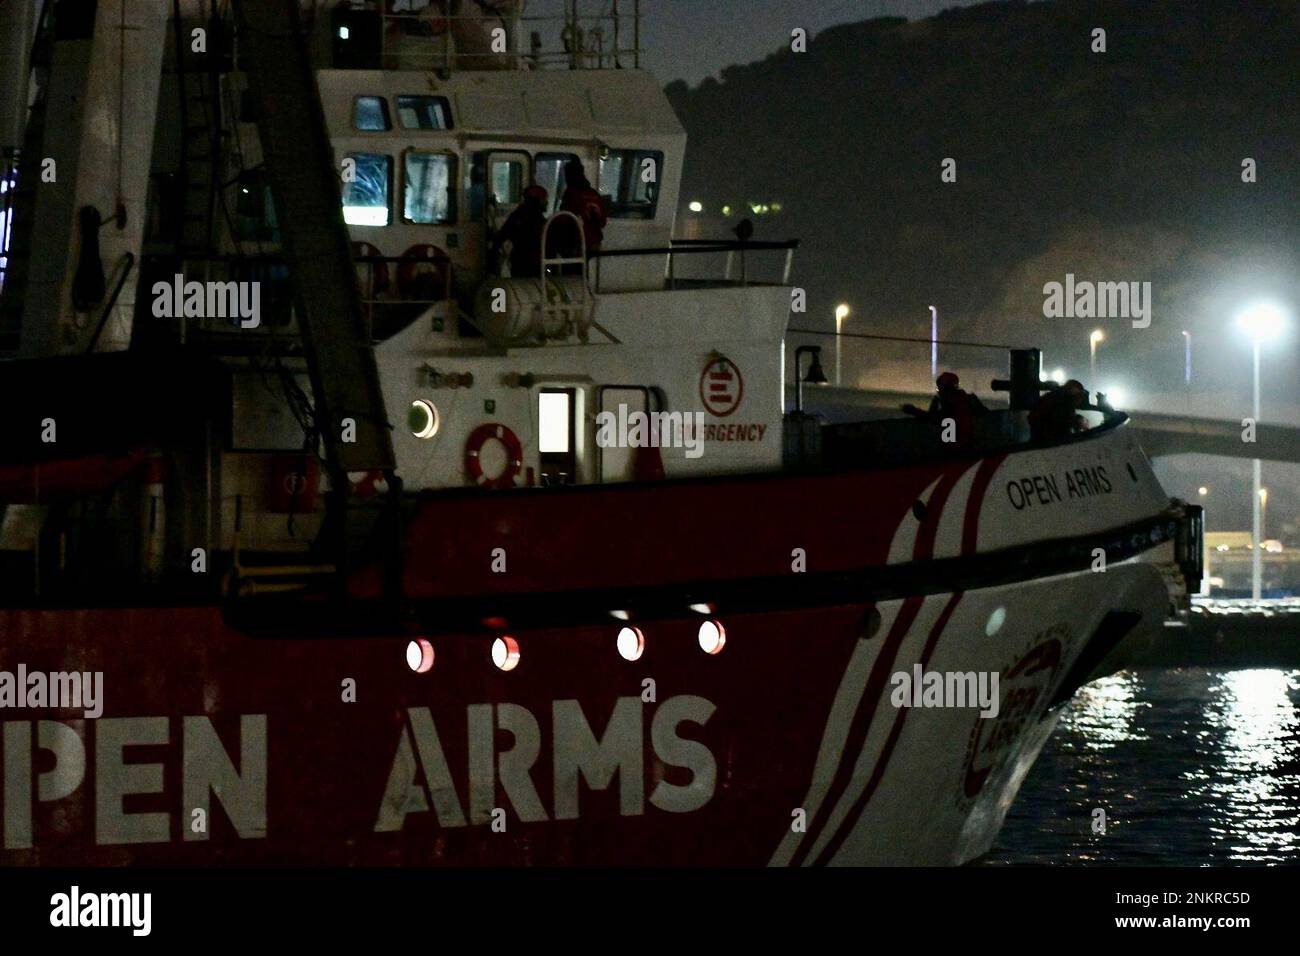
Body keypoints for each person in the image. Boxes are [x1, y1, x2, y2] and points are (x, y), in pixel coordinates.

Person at [902, 372, 988, 446]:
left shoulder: (949, 405)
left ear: (944, 389)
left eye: (938, 388)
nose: (938, 391)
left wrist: (913, 411)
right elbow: (986, 414)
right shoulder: (970, 400)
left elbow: (934, 418)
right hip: (971, 446)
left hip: (955, 450)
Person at [494, 184, 548, 278]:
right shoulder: (538, 221)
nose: (546, 202)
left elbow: (501, 236)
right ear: (537, 201)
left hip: (519, 262)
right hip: (534, 264)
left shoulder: (517, 216)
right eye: (544, 199)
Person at [558, 159, 607, 256]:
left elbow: (564, 218)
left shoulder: (571, 194)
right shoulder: (594, 193)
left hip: (576, 242)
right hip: (594, 241)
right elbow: (603, 220)